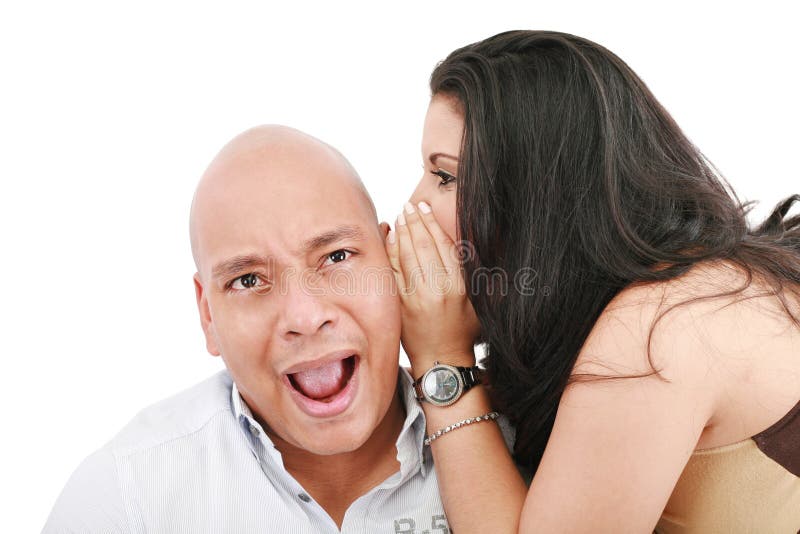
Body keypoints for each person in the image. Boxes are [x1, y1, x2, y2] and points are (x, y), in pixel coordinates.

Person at [387, 30, 800, 533]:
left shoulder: (661, 329)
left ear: (541, 197)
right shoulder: (671, 290)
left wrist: (441, 358)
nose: (415, 206)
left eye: (446, 176)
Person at [43, 126, 453, 533]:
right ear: (207, 316)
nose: (306, 318)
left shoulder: (507, 449)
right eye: (248, 280)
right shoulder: (124, 497)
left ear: (391, 262)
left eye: (336, 256)